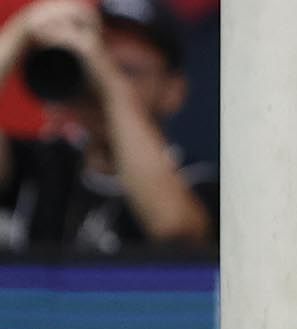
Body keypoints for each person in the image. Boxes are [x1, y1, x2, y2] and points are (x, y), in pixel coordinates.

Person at [0, 0, 210, 250]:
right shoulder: (40, 163)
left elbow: (177, 231)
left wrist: (106, 75)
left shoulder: (197, 179)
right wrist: (20, 32)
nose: (96, 84)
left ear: (173, 91)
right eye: (89, 65)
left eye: (128, 70)